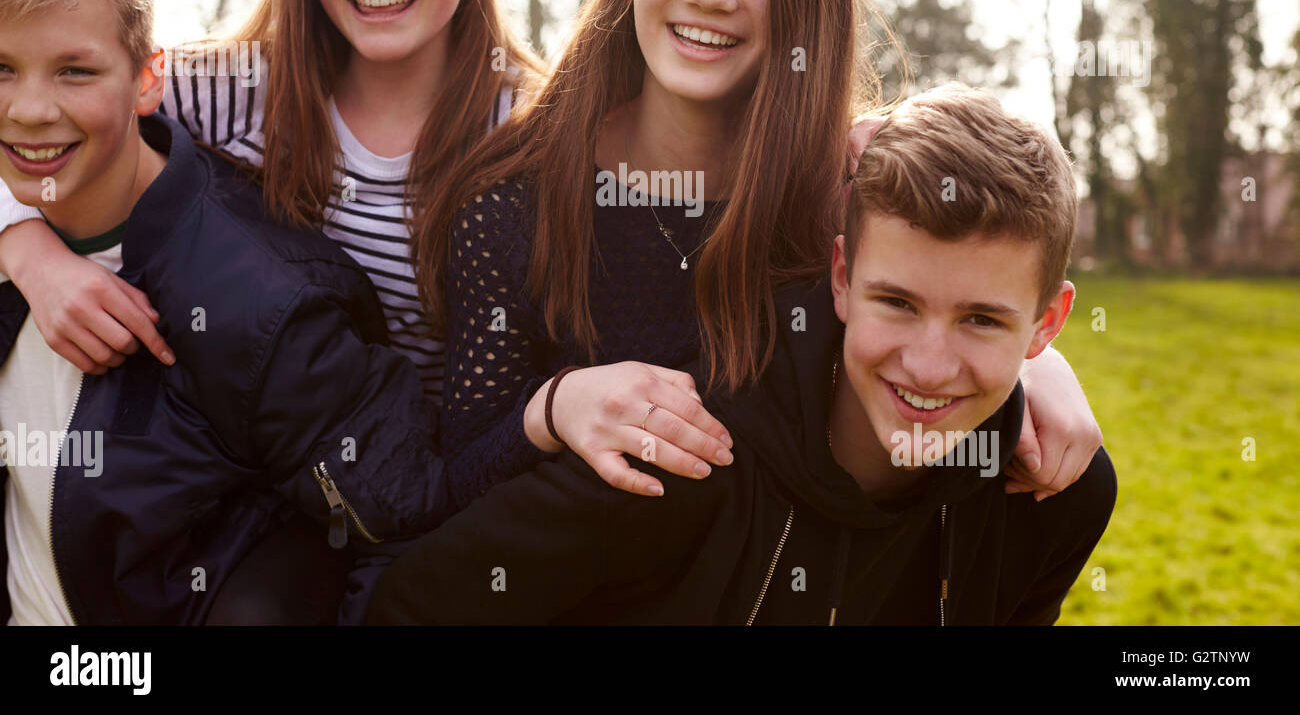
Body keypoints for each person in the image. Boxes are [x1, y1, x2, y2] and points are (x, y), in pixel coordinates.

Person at [415, 0, 1103, 514]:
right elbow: (458, 478)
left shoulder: (849, 187)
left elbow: (962, 304)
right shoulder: (510, 204)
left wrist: (1036, 364)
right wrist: (556, 408)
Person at [367, 84, 1116, 625]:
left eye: (981, 320)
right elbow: (413, 607)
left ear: (1047, 324)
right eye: (898, 303)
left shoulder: (1057, 501)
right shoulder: (680, 459)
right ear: (843, 279)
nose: (927, 365)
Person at [0, 0, 448, 625]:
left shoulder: (268, 304)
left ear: (148, 79)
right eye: (2, 68)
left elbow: (399, 527)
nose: (29, 109)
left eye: (75, 71)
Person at [0, 0, 539, 409]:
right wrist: (32, 255)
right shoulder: (226, 88)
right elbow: (42, 129)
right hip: (263, 478)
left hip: (446, 483)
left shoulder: (536, 131)